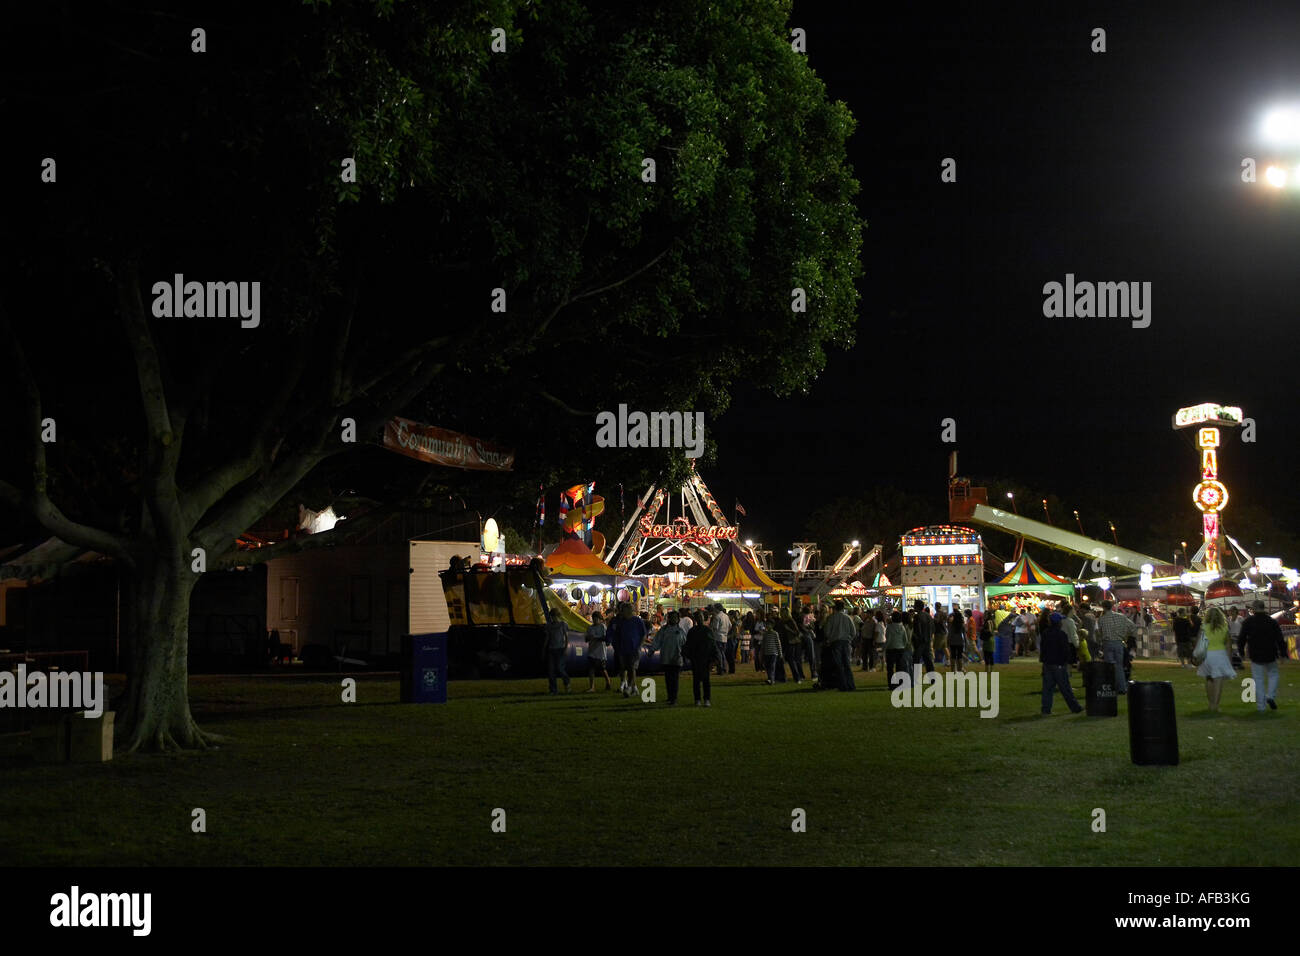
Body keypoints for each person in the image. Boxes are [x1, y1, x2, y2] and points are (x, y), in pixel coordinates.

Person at [1238, 600, 1286, 712]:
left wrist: (1241, 652)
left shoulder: (1248, 622)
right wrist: (1283, 653)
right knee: (1273, 675)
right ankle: (1270, 696)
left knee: (1258, 680)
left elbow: (1242, 638)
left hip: (1255, 654)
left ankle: (1261, 707)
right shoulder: (1271, 621)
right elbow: (1279, 638)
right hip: (1270, 653)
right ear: (1263, 607)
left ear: (1254, 608)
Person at [1040, 612, 1083, 714]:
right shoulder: (1061, 634)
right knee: (1065, 687)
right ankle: (1075, 707)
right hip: (1058, 663)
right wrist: (1066, 661)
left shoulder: (1045, 633)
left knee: (1047, 688)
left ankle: (1046, 709)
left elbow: (1043, 648)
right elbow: (1065, 650)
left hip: (1047, 663)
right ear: (1059, 622)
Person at [1195, 607, 1234, 712]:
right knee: (1218, 680)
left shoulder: (1203, 627)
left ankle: (1211, 703)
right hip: (1219, 655)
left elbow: (1198, 642)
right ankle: (1215, 705)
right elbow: (1228, 646)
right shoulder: (1224, 628)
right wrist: (1230, 660)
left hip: (1206, 655)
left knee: (1209, 679)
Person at [1095, 600, 1135, 694]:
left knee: (1109, 666)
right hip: (1118, 643)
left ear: (1103, 607)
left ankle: (1111, 686)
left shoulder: (1101, 619)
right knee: (1119, 666)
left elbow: (1098, 633)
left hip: (1107, 643)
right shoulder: (1121, 617)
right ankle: (1121, 687)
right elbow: (1132, 627)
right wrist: (1125, 635)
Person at [611, 601, 647, 698]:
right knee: (626, 668)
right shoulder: (621, 622)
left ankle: (629, 687)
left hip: (634, 649)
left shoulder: (637, 621)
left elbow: (643, 634)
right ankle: (634, 688)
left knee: (632, 668)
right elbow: (617, 635)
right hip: (623, 649)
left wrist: (639, 646)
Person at [651, 611, 687, 705]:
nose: (673, 619)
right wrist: (652, 650)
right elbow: (657, 641)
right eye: (672, 617)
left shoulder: (680, 631)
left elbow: (684, 644)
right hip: (666, 657)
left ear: (678, 619)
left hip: (676, 658)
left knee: (674, 679)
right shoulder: (664, 630)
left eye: (675, 618)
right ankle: (670, 696)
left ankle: (673, 698)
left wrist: (685, 655)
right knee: (668, 678)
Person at [823, 600, 857, 691]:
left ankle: (842, 685)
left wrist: (830, 638)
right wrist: (849, 639)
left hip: (835, 643)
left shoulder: (831, 618)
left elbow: (827, 632)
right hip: (846, 642)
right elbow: (853, 632)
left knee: (839, 665)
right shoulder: (848, 618)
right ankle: (851, 685)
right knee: (847, 664)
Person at [685, 610, 716, 707]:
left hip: (705, 658)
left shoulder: (706, 631)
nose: (700, 618)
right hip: (696, 658)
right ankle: (698, 699)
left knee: (705, 680)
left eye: (701, 616)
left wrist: (713, 658)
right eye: (698, 617)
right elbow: (688, 645)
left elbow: (712, 645)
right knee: (697, 680)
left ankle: (706, 699)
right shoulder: (693, 631)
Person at [543, 613, 571, 695]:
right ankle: (553, 689)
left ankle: (566, 682)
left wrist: (566, 648)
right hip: (551, 649)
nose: (553, 618)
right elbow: (547, 638)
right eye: (552, 616)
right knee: (551, 670)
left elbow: (566, 637)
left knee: (559, 668)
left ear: (558, 616)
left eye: (554, 616)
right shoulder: (549, 626)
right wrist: (544, 648)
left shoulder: (563, 624)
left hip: (560, 649)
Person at [585, 610, 610, 692]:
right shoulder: (590, 628)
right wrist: (589, 638)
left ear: (600, 619)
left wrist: (595, 638)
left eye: (596, 619)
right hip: (592, 651)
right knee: (591, 669)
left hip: (601, 652)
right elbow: (586, 639)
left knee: (602, 669)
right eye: (594, 618)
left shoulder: (602, 627)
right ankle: (592, 687)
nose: (595, 620)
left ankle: (608, 681)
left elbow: (605, 638)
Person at [777, 608, 804, 683]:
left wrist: (788, 629)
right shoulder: (781, 622)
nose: (782, 614)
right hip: (785, 642)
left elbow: (797, 632)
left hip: (791, 643)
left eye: (784, 612)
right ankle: (783, 677)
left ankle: (797, 677)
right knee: (783, 660)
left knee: (791, 660)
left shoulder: (790, 621)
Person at [884, 611, 909, 683]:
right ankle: (900, 682)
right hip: (900, 649)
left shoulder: (890, 627)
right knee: (899, 667)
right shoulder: (902, 627)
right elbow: (905, 639)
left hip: (891, 649)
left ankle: (891, 684)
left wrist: (884, 648)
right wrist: (903, 646)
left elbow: (888, 639)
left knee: (890, 668)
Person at [911, 600, 935, 673]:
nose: (913, 606)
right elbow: (933, 628)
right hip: (927, 640)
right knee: (928, 660)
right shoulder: (928, 616)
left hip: (920, 641)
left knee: (916, 660)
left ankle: (916, 678)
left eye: (915, 605)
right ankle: (932, 677)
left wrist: (916, 638)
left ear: (917, 607)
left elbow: (917, 629)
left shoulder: (917, 616)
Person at [709, 604, 731, 677]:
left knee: (719, 654)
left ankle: (721, 669)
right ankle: (724, 668)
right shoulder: (726, 616)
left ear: (717, 609)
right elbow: (730, 625)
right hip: (725, 637)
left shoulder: (717, 617)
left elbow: (715, 628)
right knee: (722, 654)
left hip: (718, 637)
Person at [1058, 602, 1080, 667]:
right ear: (1070, 611)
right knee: (1069, 662)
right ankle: (1067, 675)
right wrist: (1077, 644)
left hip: (1061, 642)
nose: (1074, 611)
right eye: (1073, 610)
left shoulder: (1061, 620)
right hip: (1069, 643)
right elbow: (1073, 634)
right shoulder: (1070, 621)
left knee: (1063, 662)